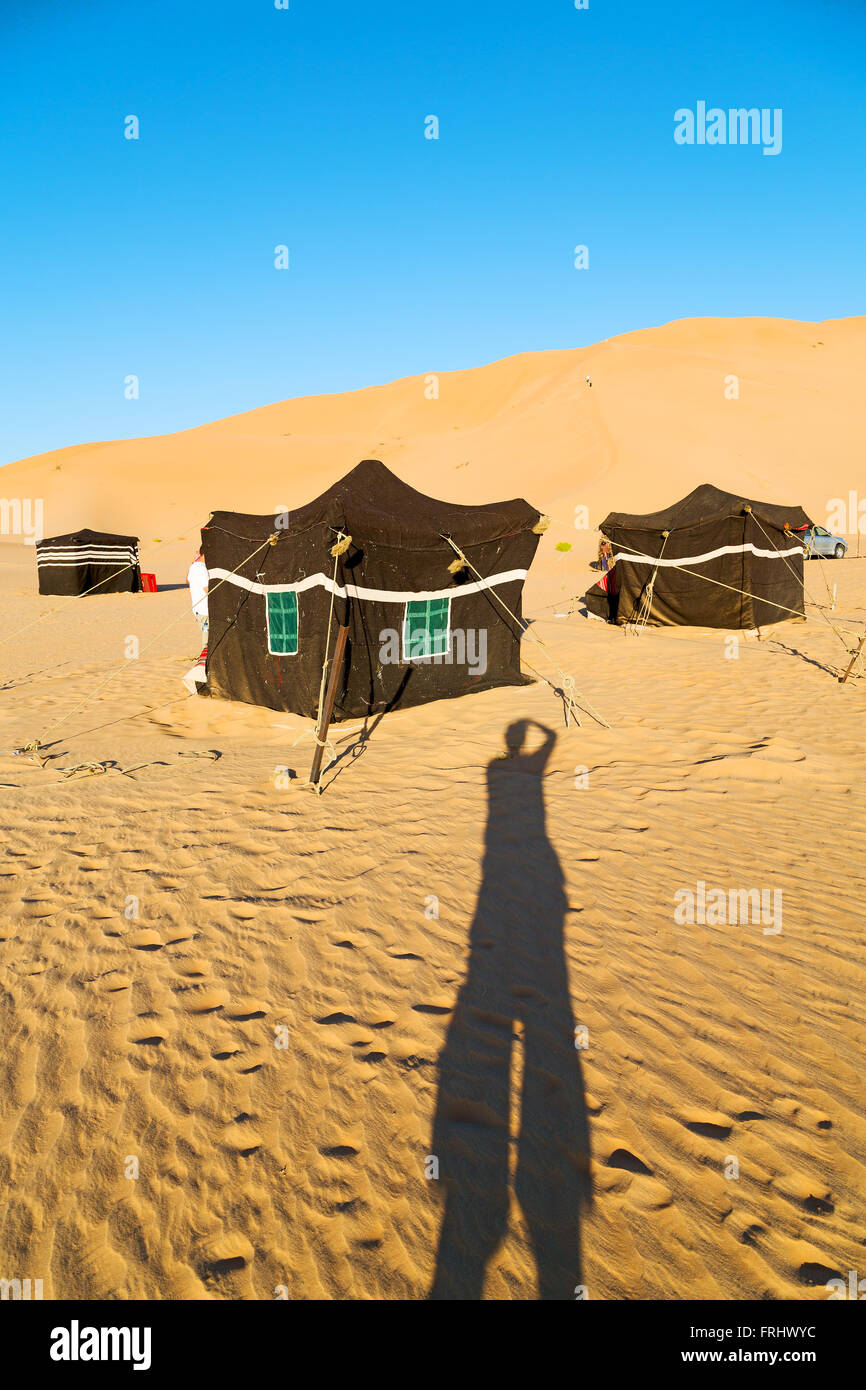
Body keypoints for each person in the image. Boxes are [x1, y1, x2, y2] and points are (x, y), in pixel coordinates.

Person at [187, 549, 209, 641]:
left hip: (197, 609)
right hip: (205, 610)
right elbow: (207, 589)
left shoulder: (193, 567)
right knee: (207, 640)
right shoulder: (203, 569)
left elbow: (187, 580)